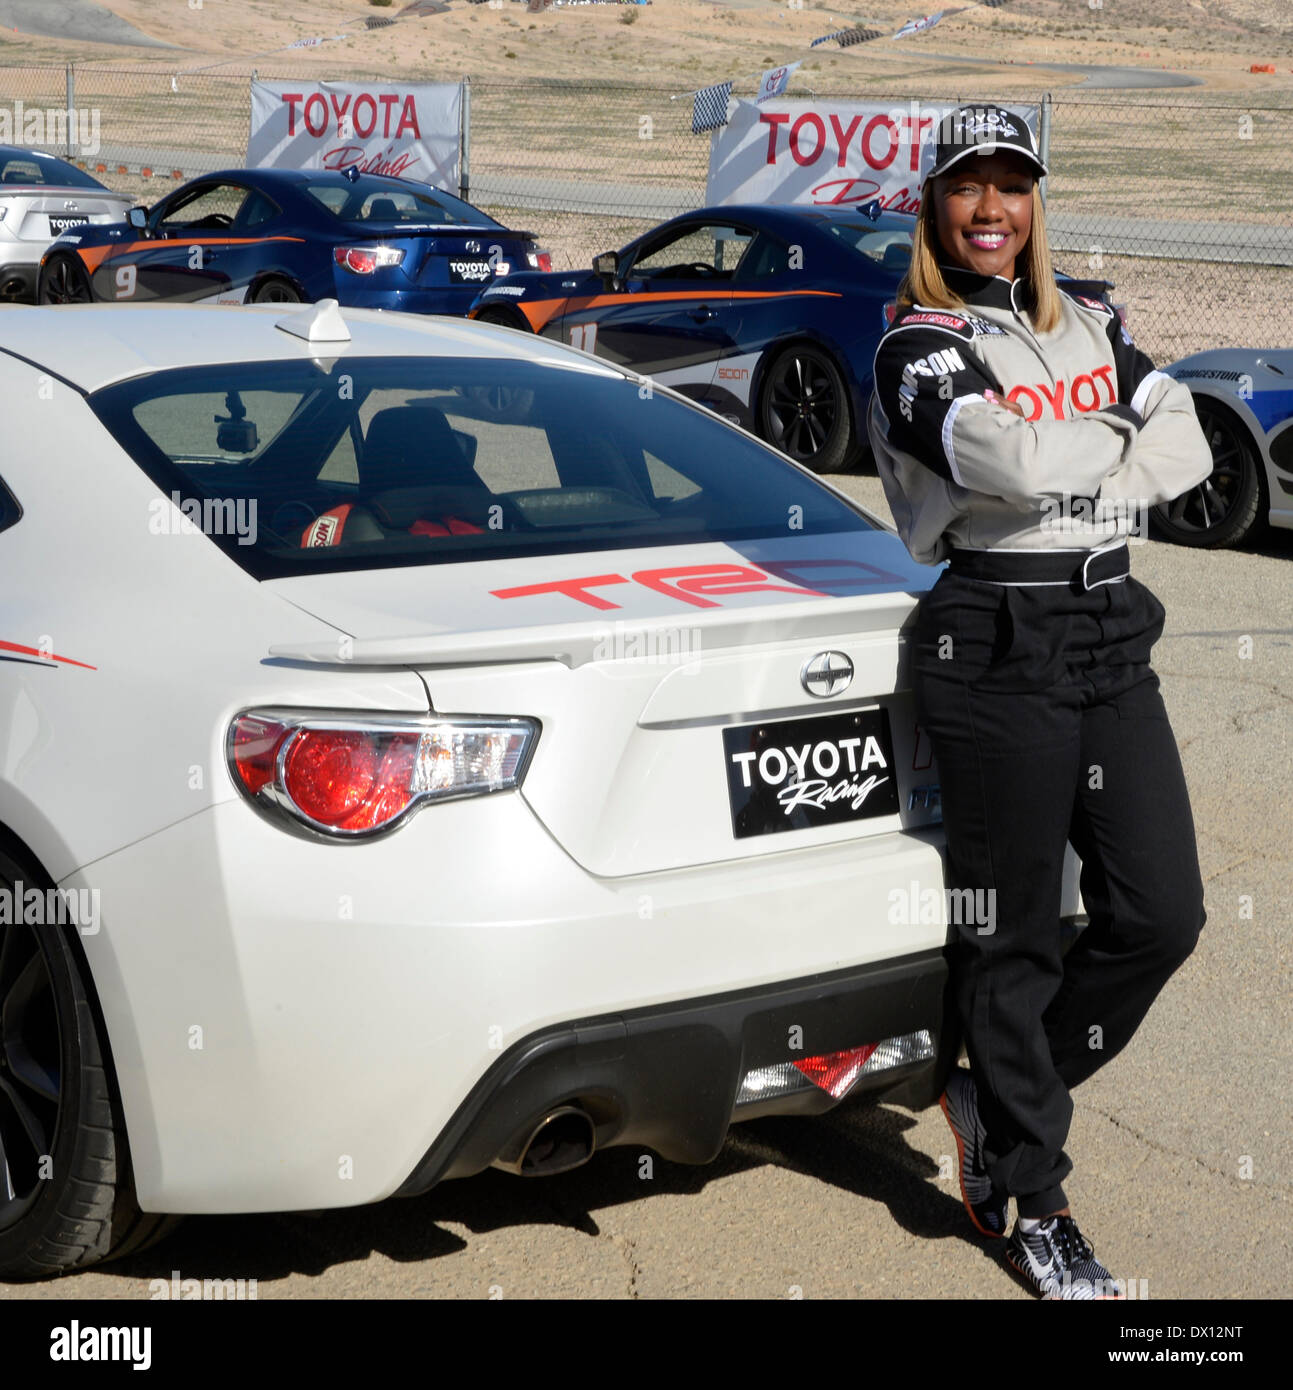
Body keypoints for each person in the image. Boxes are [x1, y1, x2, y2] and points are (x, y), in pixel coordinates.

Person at [866, 104, 1211, 1300]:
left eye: (1013, 187)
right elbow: (1004, 466)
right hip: (994, 637)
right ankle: (1032, 1196)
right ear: (936, 204)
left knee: (1160, 911)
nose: (993, 211)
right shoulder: (918, 344)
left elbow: (1196, 450)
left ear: (1036, 204)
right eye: (969, 188)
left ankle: (997, 1089)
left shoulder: (1094, 317)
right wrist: (1117, 432)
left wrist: (1081, 435)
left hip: (1113, 625)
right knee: (1012, 935)